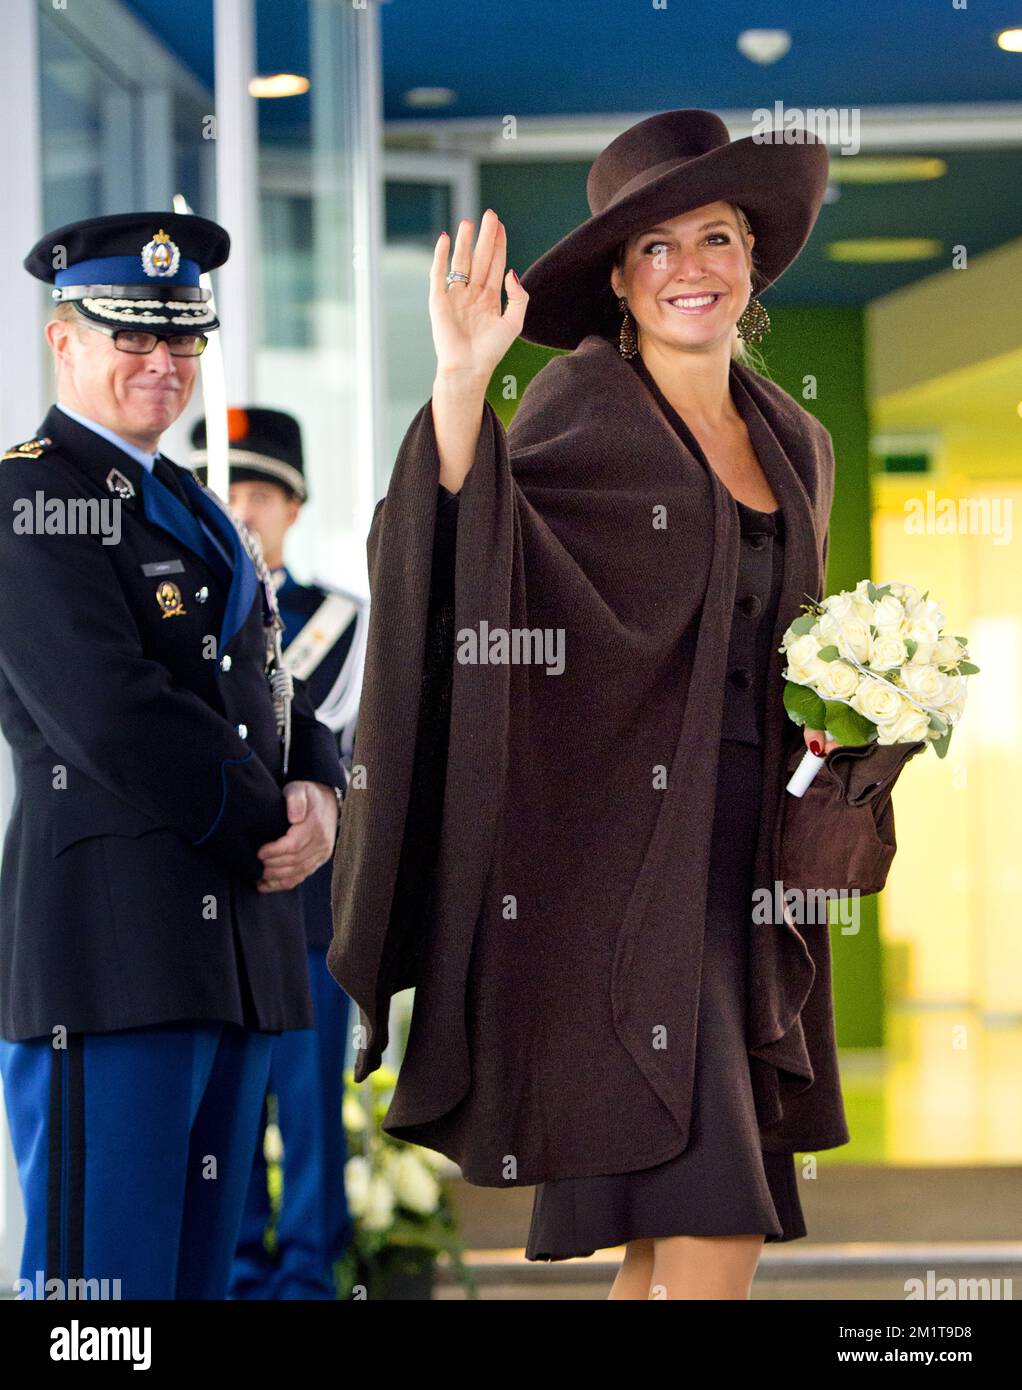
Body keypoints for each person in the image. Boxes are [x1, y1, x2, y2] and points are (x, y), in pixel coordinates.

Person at [330, 109, 879, 1302]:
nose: (690, 269)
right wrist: (463, 383)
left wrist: (854, 699)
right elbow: (469, 549)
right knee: (715, 1213)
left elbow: (787, 640)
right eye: (655, 248)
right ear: (620, 281)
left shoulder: (797, 437)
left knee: (665, 1227)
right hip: (621, 868)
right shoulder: (586, 405)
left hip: (754, 858)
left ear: (753, 262)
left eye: (716, 238)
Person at [0, 213, 344, 1300]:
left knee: (195, 1277)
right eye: (132, 337)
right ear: (64, 342)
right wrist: (270, 823)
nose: (164, 361)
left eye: (183, 339)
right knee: (105, 1286)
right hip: (111, 953)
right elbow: (111, 713)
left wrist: (321, 787)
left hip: (230, 946)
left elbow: (262, 685)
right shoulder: (30, 495)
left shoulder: (190, 500)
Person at [190, 407, 368, 1298]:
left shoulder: (338, 620)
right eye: (223, 490)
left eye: (259, 491)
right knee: (216, 1110)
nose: (240, 509)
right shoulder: (175, 616)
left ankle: (305, 1276)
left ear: (293, 506)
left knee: (305, 1107)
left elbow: (311, 731)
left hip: (305, 911)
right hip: (199, 902)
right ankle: (234, 1274)